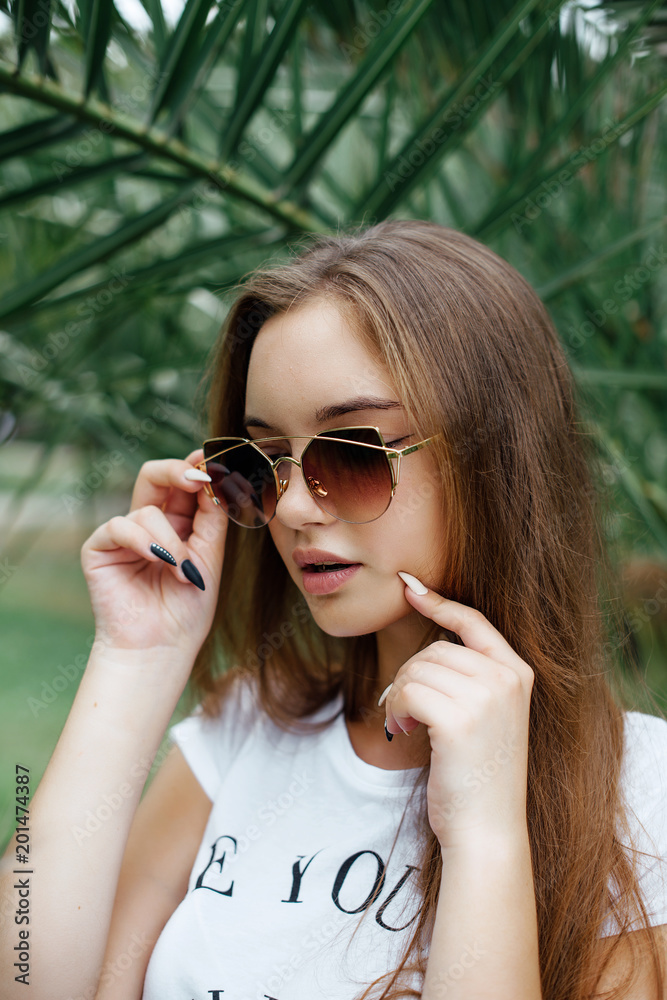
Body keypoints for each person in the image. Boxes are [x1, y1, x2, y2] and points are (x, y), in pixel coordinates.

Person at [2, 219, 667, 1000]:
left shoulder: (639, 796)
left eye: (349, 454)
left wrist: (487, 834)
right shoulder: (245, 731)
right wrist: (135, 660)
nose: (291, 510)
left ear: (496, 457)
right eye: (262, 463)